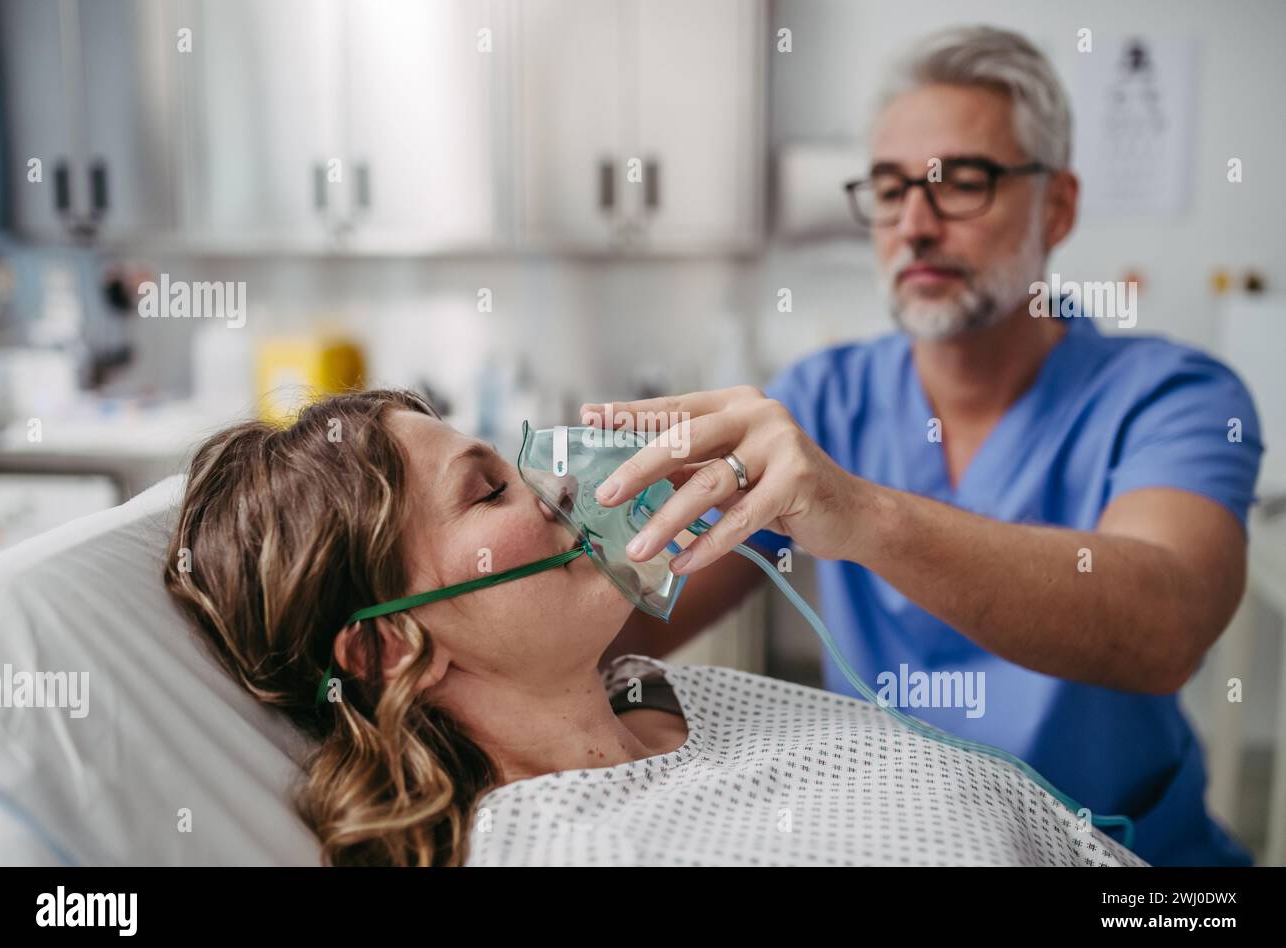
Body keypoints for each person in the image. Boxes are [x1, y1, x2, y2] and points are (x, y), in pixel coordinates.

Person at [595, 26, 1262, 867]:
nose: (914, 224)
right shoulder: (819, 401)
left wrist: (862, 513)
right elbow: (627, 617)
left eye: (962, 184)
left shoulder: (1174, 396)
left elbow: (1165, 624)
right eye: (888, 188)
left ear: (1057, 205)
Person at [163, 388, 1143, 866]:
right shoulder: (555, 849)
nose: (560, 483)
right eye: (490, 489)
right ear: (388, 644)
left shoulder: (669, 696)